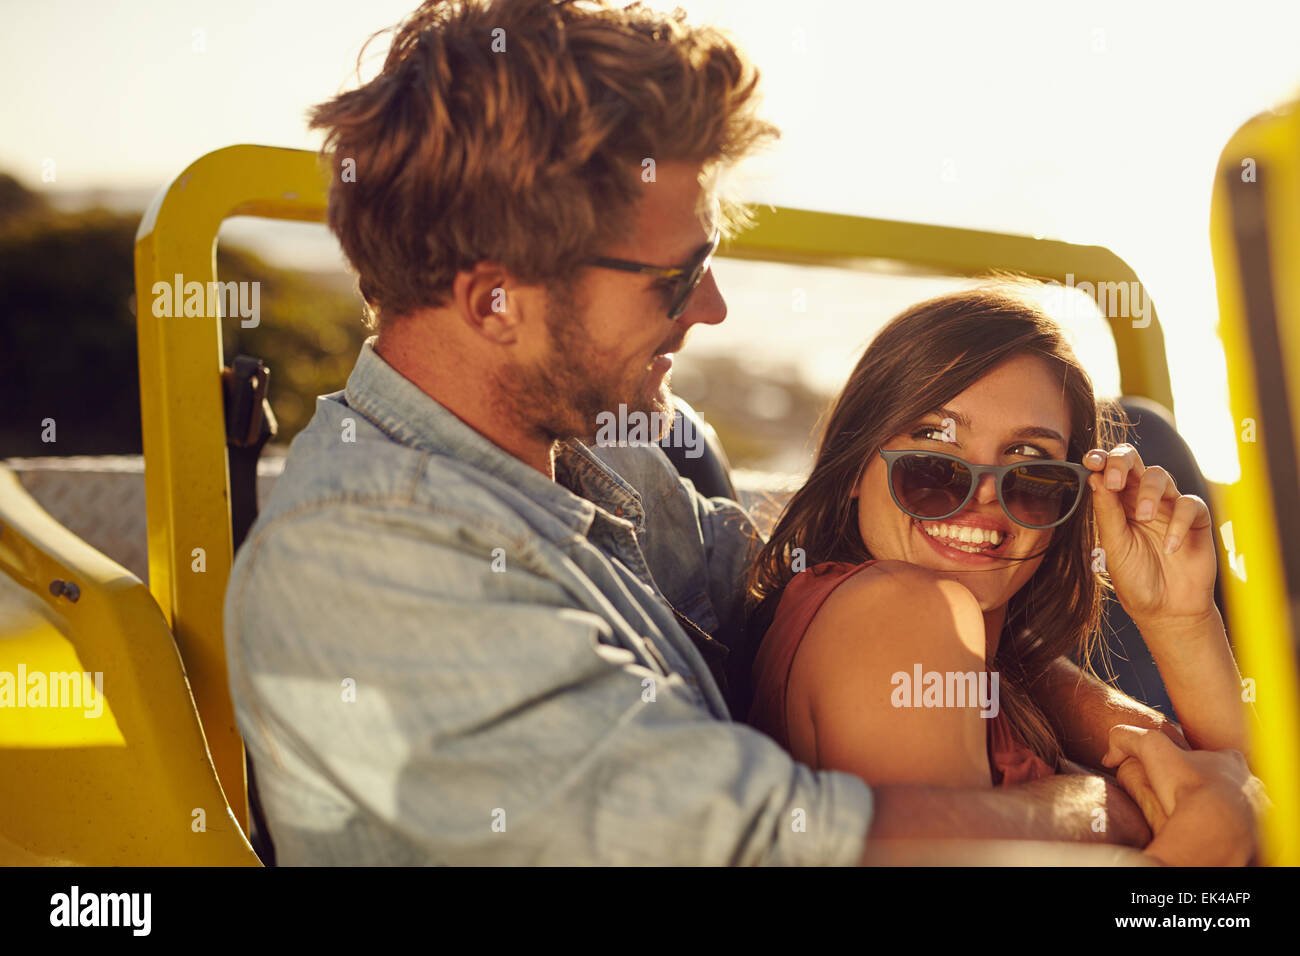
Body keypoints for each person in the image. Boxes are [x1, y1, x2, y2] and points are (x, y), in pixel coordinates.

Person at [223, 0, 1266, 865]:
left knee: (1155, 448)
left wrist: (1132, 728)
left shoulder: (593, 455)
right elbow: (753, 840)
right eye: (676, 276)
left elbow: (785, 571)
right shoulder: (361, 560)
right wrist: (1127, 810)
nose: (711, 307)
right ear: (496, 301)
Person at [745, 287, 1269, 863]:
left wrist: (1178, 618)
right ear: (854, 464)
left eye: (1030, 464)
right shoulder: (907, 608)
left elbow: (1236, 797)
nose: (985, 494)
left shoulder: (1002, 667)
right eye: (935, 452)